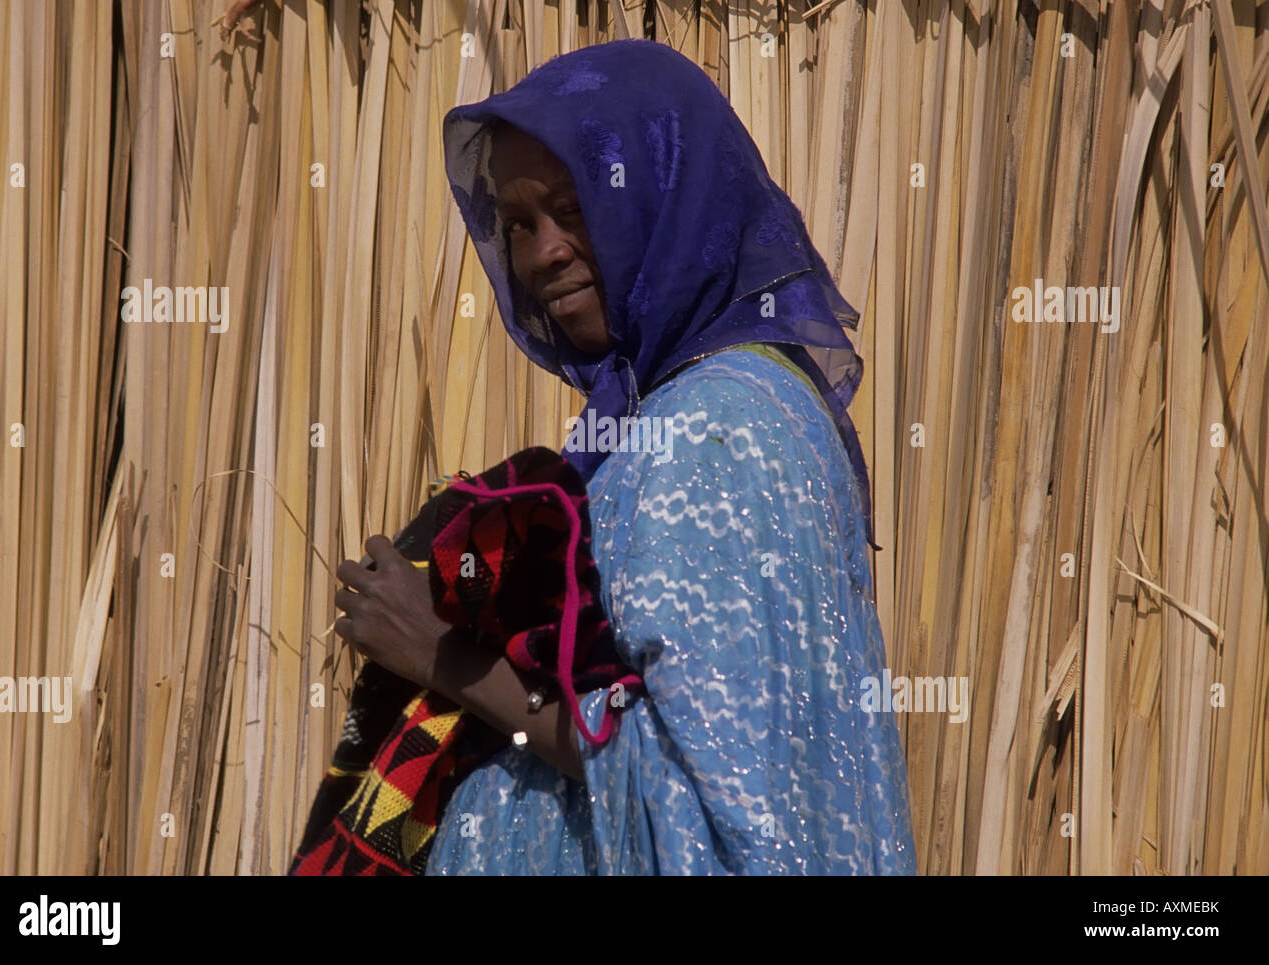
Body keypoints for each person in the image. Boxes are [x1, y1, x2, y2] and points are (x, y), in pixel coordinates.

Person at [338, 38, 917, 874]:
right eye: (520, 226)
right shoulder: (698, 415)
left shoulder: (713, 433)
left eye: (573, 210)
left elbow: (695, 779)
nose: (541, 255)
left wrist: (439, 653)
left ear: (665, 192)